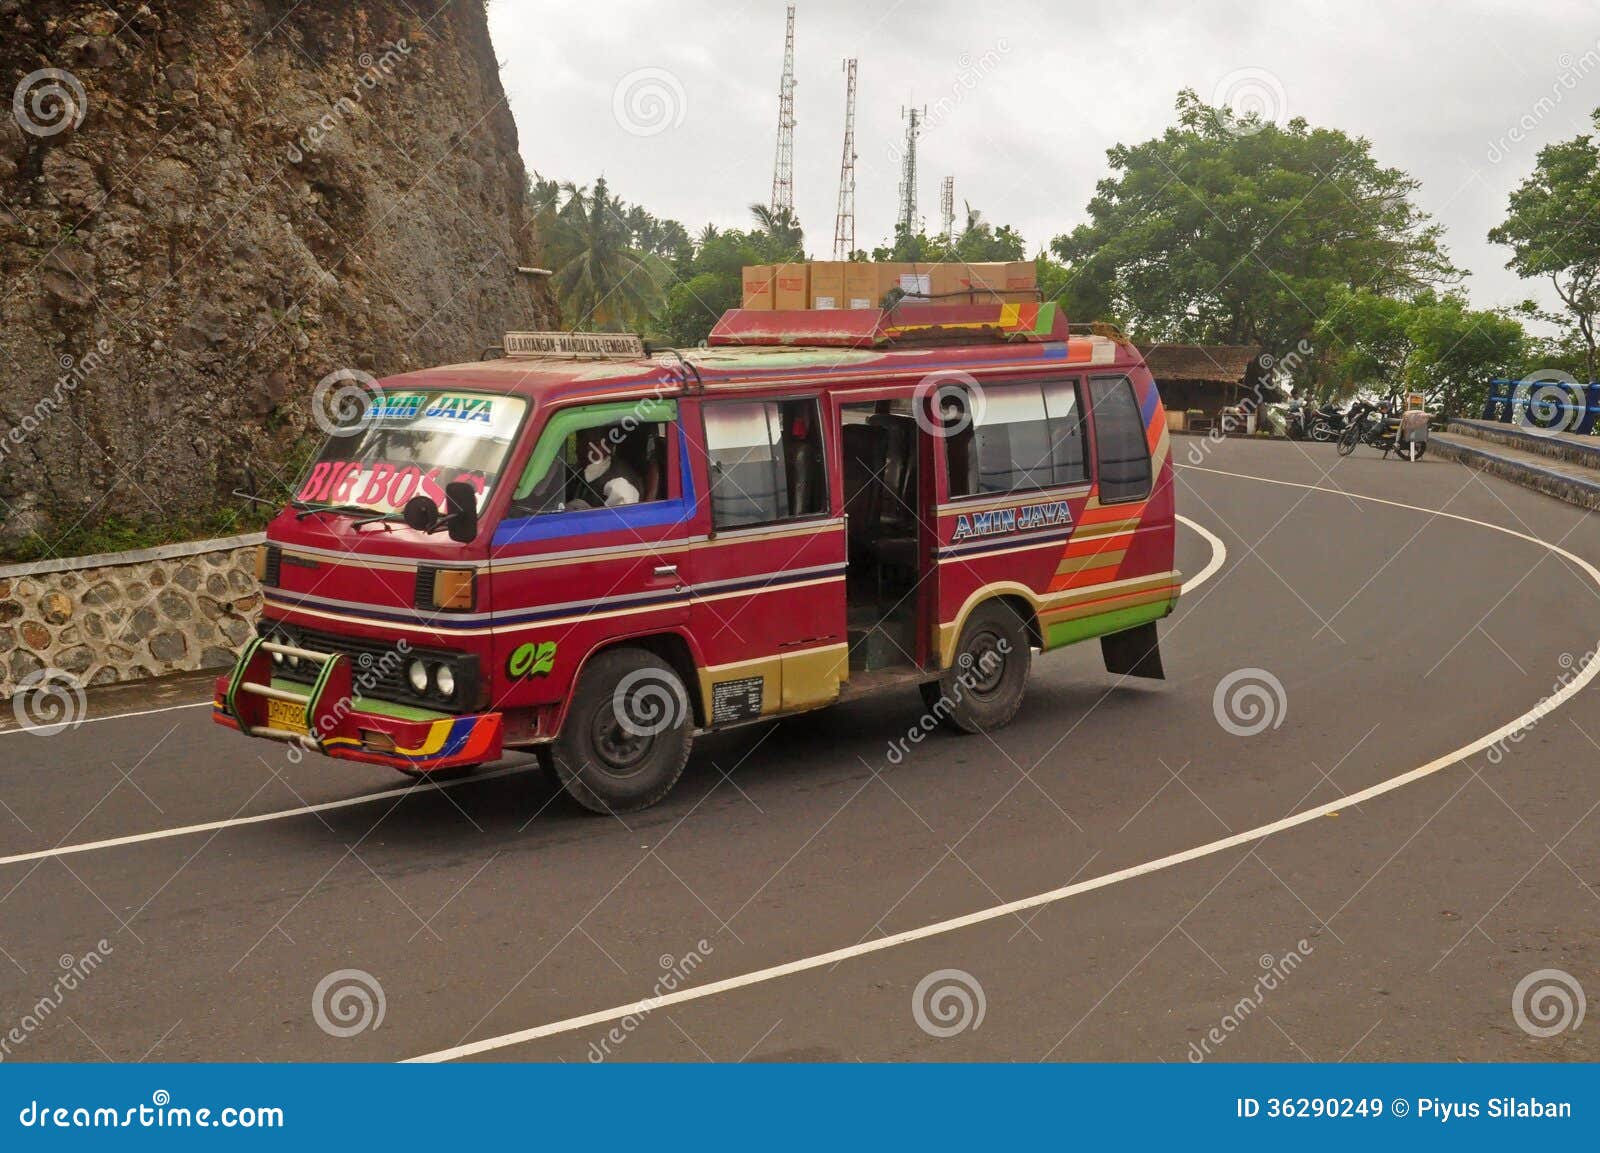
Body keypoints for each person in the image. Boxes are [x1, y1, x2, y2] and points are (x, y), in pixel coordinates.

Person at [567, 426, 644, 509]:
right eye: (582, 442)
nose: (587, 449)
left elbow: (617, 520)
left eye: (595, 444)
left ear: (609, 447)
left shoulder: (619, 485)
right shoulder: (582, 472)